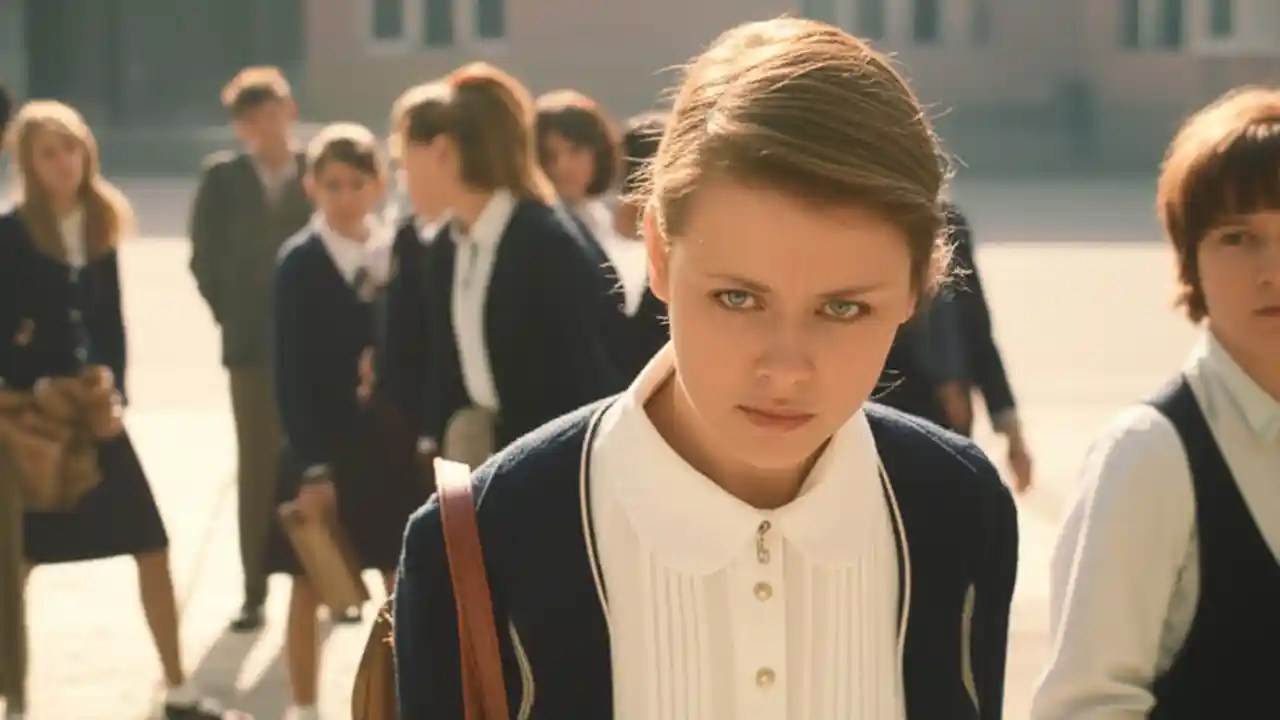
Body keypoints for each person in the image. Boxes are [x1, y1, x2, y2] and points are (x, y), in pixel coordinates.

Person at [395, 19, 1018, 719]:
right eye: (738, 297)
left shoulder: (960, 510)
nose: (785, 369)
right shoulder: (484, 542)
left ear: (915, 288)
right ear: (658, 253)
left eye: (842, 309)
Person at [1032, 86, 1280, 719]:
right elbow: (1085, 706)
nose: (1271, 269)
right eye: (1237, 237)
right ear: (1189, 260)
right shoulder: (1149, 455)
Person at [0, 100, 236, 720]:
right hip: (35, 422)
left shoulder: (100, 224)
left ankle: (178, 689)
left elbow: (112, 325)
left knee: (150, 541)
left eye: (73, 147)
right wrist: (36, 379)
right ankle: (14, 698)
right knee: (14, 563)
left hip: (96, 414)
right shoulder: (12, 234)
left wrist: (118, 394)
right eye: (49, 152)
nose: (65, 163)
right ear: (28, 161)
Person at [264, 123, 426, 720]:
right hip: (319, 444)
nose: (345, 197)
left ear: (379, 184)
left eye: (357, 183)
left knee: (397, 579)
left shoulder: (396, 253)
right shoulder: (299, 263)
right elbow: (287, 372)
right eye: (331, 185)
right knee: (310, 579)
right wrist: (311, 465)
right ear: (312, 187)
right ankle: (305, 708)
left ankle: (400, 702)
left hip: (382, 445)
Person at [398, 63, 620, 462]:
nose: (402, 176)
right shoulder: (447, 248)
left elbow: (586, 383)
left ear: (442, 152)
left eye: (404, 159)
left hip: (556, 463)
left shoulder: (546, 244)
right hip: (490, 455)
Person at [188, 66, 313, 632]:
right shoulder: (223, 179)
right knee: (258, 467)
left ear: (289, 111)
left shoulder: (318, 171)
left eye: (274, 112)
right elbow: (203, 258)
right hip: (251, 348)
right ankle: (253, 588)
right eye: (252, 119)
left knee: (317, 460)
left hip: (314, 347)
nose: (267, 127)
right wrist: (231, 313)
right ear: (242, 127)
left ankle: (324, 581)